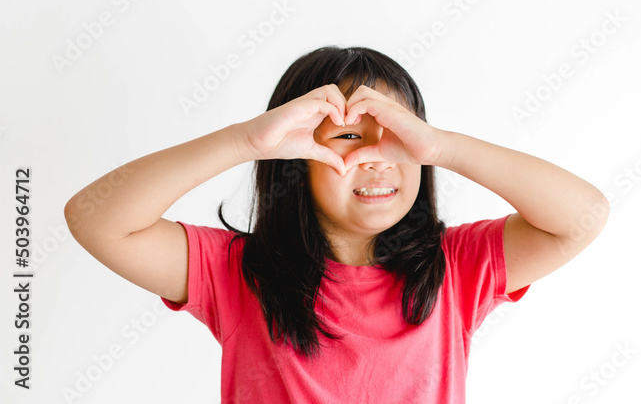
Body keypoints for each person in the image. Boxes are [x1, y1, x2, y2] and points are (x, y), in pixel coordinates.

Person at [64, 45, 610, 403]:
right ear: (294, 157)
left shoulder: (457, 268)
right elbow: (96, 220)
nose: (378, 158)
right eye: (349, 136)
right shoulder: (235, 271)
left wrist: (443, 147)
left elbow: (580, 218)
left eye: (399, 136)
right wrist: (246, 141)